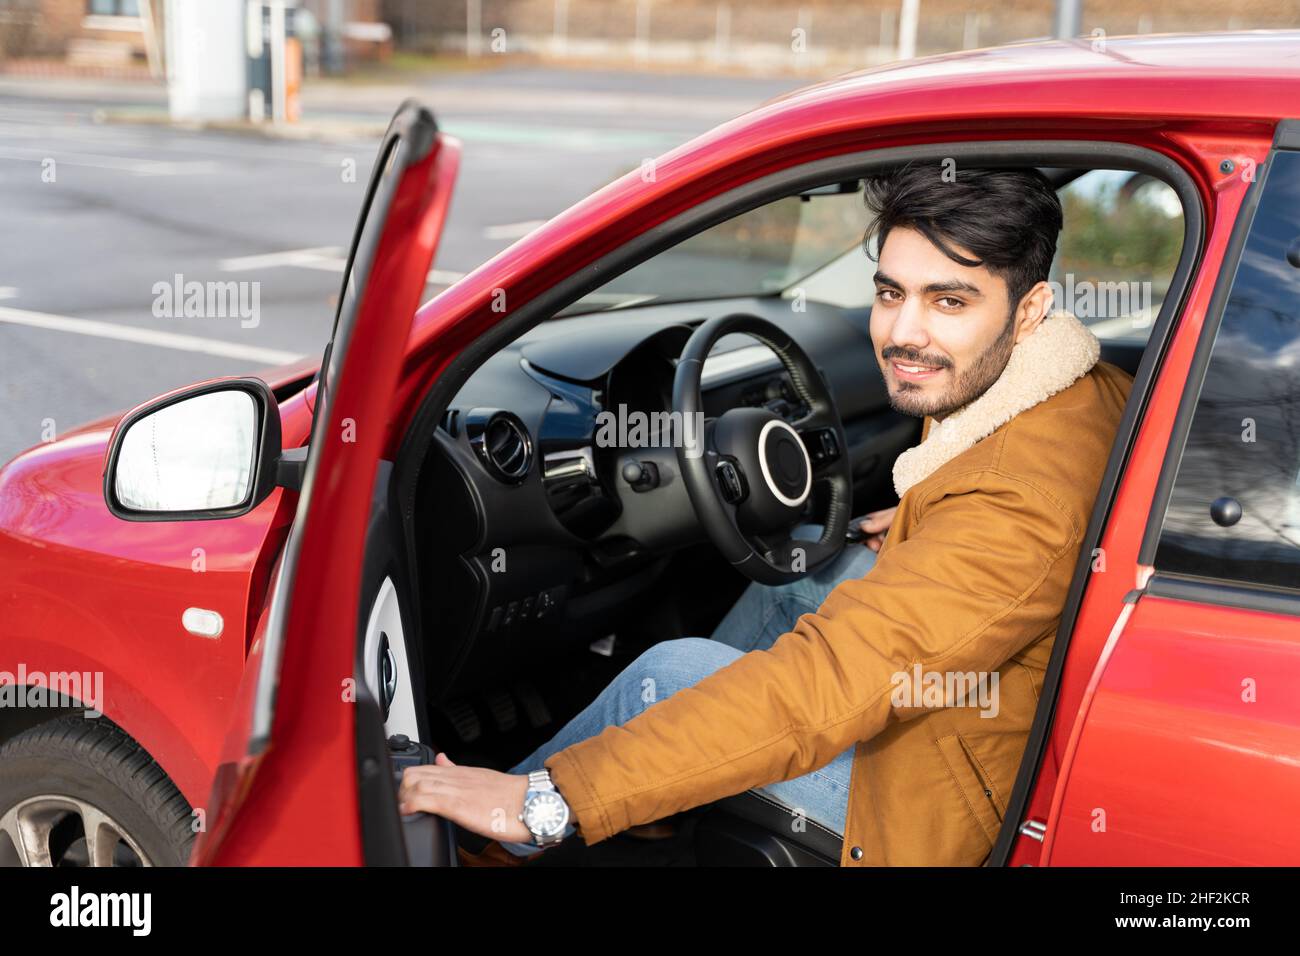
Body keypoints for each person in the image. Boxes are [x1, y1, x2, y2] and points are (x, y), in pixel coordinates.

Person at [397, 162, 1134, 867]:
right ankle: (668, 802)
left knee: (668, 676)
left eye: (949, 302)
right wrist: (922, 532)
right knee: (799, 572)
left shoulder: (1015, 501)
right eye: (889, 293)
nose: (904, 335)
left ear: (1030, 309)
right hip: (993, 702)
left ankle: (494, 843)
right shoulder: (1078, 385)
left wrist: (549, 799)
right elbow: (989, 526)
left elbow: (830, 681)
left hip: (934, 799)